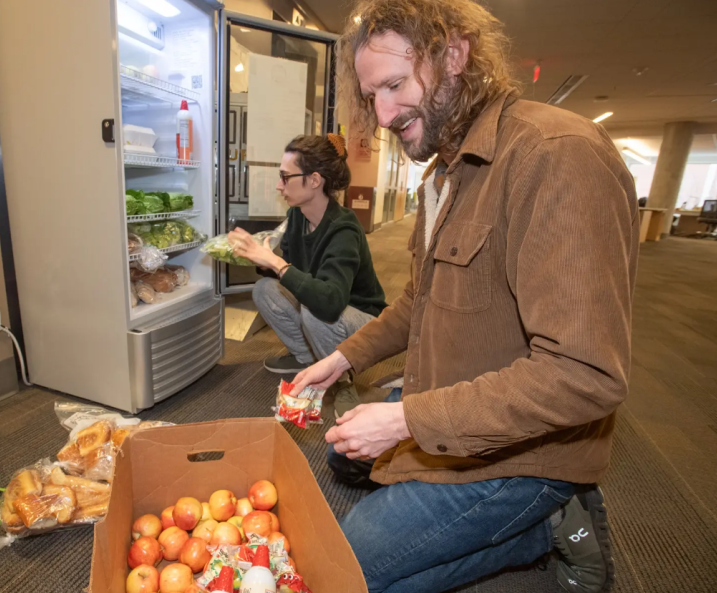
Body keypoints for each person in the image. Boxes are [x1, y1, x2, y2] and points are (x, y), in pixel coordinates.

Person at [290, 1, 639, 592]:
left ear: (453, 55)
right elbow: (418, 303)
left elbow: (586, 375)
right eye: (372, 96)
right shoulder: (444, 173)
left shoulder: (557, 155)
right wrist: (343, 358)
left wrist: (404, 420)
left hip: (525, 450)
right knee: (344, 456)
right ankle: (515, 523)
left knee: (337, 573)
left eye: (395, 85)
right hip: (453, 393)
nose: (383, 115)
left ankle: (550, 520)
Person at [229, 134, 388, 418]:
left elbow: (330, 302)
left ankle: (342, 381)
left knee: (315, 311)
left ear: (314, 180)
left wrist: (275, 262)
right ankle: (308, 359)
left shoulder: (344, 228)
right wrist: (258, 257)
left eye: (285, 177)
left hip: (363, 321)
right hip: (327, 309)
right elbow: (292, 272)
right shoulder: (298, 217)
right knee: (265, 289)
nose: (279, 186)